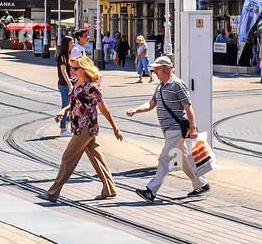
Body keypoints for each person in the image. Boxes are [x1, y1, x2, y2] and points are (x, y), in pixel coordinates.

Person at [126, 55, 208, 200]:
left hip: (176, 129)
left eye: (157, 69)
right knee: (182, 160)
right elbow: (151, 104)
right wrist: (135, 110)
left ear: (167, 68)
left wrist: (193, 127)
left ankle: (151, 190)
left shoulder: (177, 84)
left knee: (164, 158)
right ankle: (200, 184)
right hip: (168, 130)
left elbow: (188, 107)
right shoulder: (160, 86)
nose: (155, 72)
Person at [45, 55, 121, 203]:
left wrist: (115, 128)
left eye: (75, 68)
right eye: (71, 68)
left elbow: (104, 109)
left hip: (86, 126)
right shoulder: (77, 82)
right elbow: (76, 102)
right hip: (78, 125)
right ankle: (109, 189)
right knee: (96, 157)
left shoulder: (92, 87)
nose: (72, 71)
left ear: (85, 69)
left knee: (68, 157)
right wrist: (64, 111)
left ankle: (53, 193)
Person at [54, 37, 74, 137]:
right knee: (65, 106)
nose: (73, 44)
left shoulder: (67, 55)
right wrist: (70, 84)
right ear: (67, 44)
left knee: (71, 106)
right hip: (64, 84)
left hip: (68, 83)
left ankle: (66, 126)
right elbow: (63, 71)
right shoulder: (62, 56)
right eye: (71, 43)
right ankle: (63, 130)